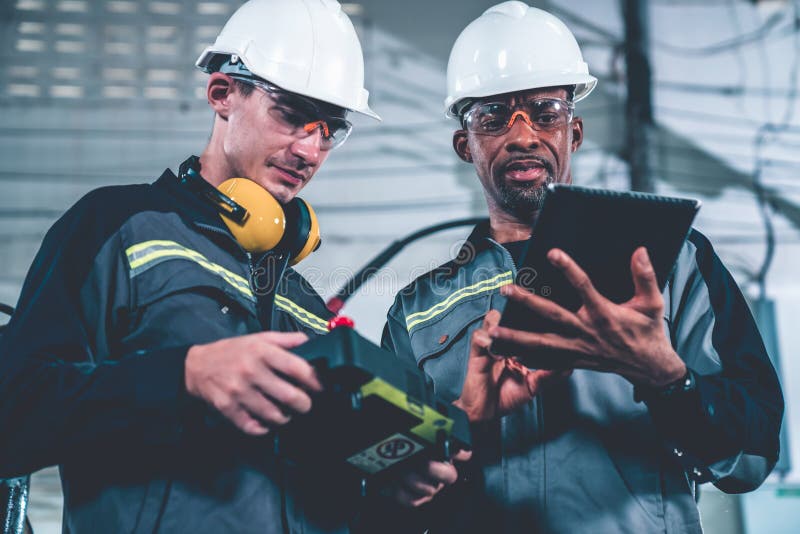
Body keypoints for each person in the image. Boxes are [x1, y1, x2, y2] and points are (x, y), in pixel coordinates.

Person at [0, 1, 464, 532]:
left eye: (329, 128)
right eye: (290, 113)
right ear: (223, 94)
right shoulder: (116, 226)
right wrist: (185, 376)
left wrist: (391, 490)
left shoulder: (305, 304)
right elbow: (13, 412)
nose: (310, 150)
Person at [382, 2, 784, 532]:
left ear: (574, 132)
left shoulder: (671, 260)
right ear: (466, 144)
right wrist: (460, 429)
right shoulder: (416, 310)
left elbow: (752, 460)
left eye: (546, 112)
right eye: (493, 117)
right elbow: (387, 491)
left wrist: (669, 380)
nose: (523, 136)